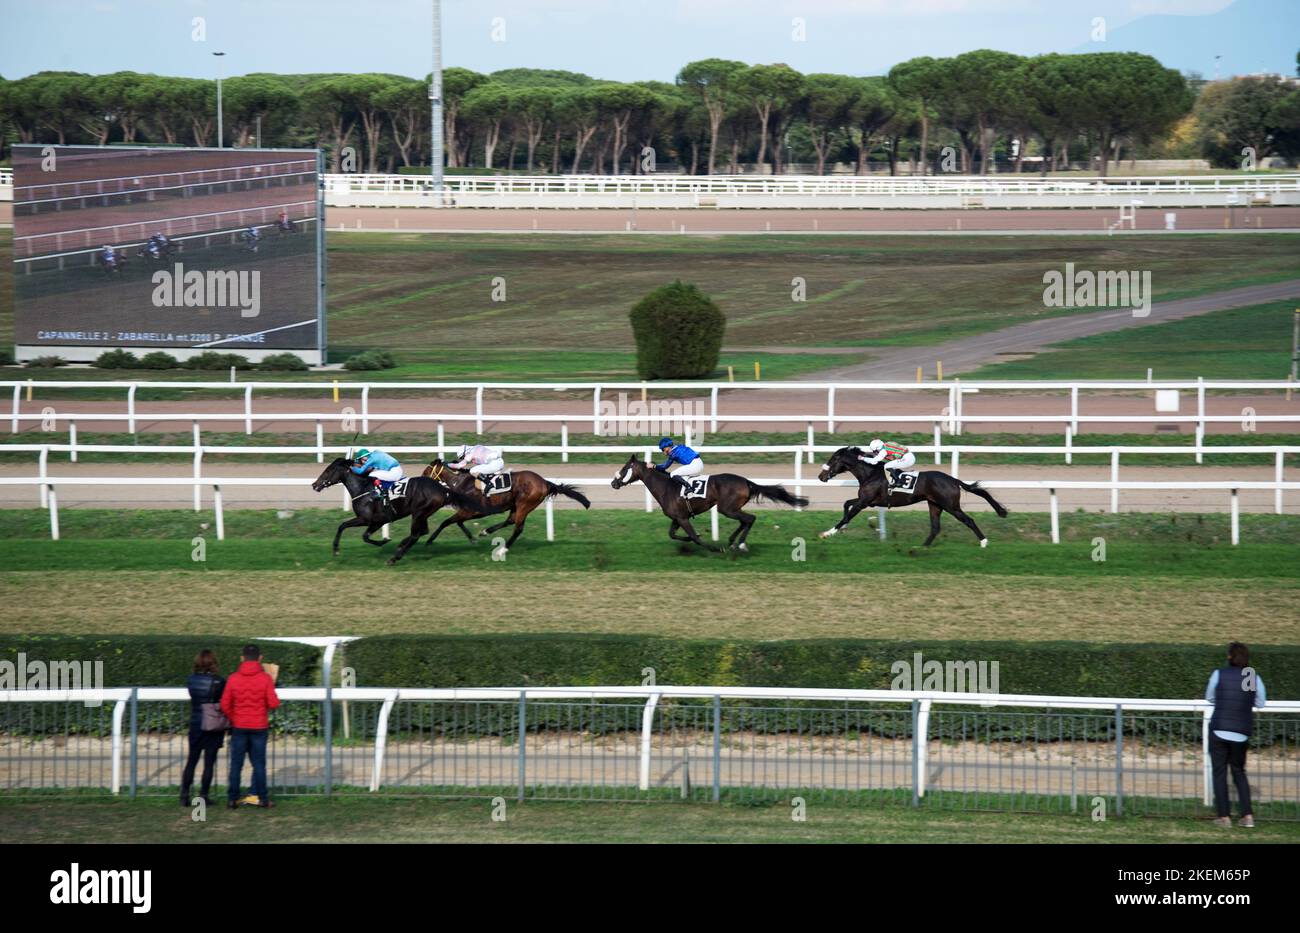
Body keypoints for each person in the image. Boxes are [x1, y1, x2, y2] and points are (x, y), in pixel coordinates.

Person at [1205, 641, 1265, 828]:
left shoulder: (1219, 674)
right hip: (1241, 731)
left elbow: (1209, 697)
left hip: (1219, 729)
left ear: (1229, 657)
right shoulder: (1251, 676)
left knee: (1219, 772)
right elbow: (1260, 702)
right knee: (1239, 772)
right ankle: (1247, 816)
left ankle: (1224, 817)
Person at [220, 644, 280, 809]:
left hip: (239, 726)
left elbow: (225, 704)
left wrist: (234, 717)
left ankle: (232, 798)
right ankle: (262, 798)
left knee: (236, 764)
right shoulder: (265, 679)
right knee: (259, 764)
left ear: (242, 658)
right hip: (259, 726)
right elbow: (274, 703)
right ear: (260, 658)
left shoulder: (233, 678)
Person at [180, 649, 226, 807]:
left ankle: (184, 795)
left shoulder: (191, 680)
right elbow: (224, 701)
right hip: (213, 723)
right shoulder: (219, 681)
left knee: (191, 760)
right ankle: (203, 796)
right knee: (209, 762)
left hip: (196, 722)